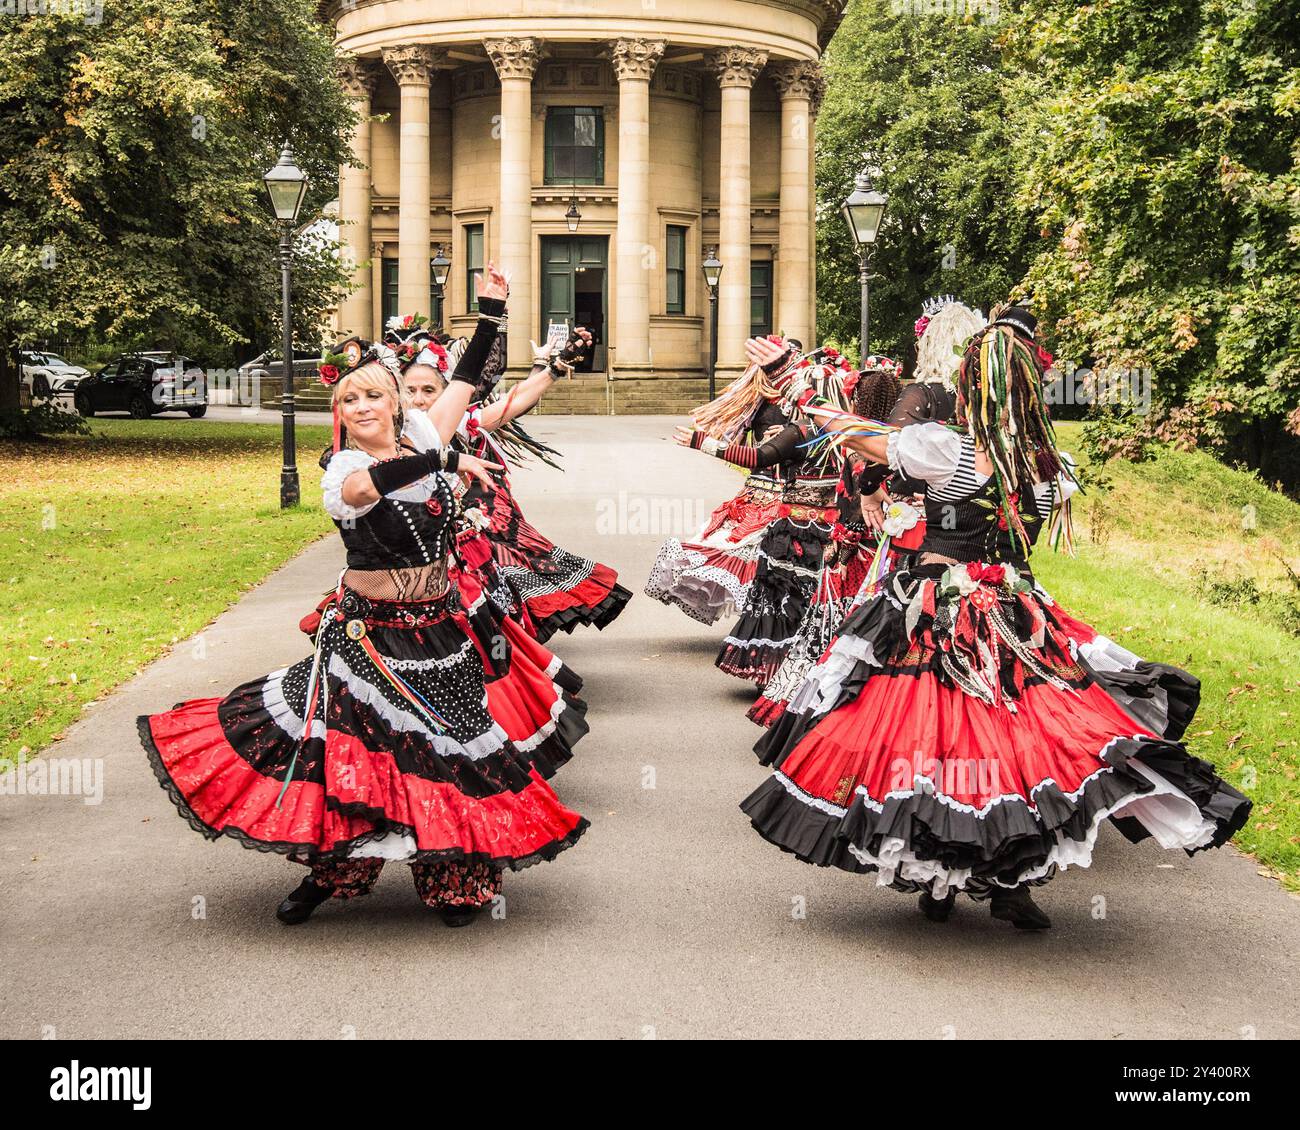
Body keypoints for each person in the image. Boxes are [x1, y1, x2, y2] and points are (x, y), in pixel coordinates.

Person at [741, 305, 1250, 930]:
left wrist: (799, 372)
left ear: (970, 388)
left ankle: (945, 878)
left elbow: (838, 427)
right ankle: (1009, 883)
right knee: (1022, 735)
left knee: (936, 735)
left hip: (936, 605)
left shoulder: (940, 447)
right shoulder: (1048, 469)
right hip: (1015, 607)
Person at [139, 264, 588, 928]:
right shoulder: (346, 467)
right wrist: (441, 462)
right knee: (350, 752)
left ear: (395, 404)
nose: (362, 409)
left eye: (374, 397)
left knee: (450, 749)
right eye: (349, 402)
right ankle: (338, 870)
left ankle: (453, 879)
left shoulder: (427, 435)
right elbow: (363, 494)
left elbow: (465, 380)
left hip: (438, 628)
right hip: (367, 636)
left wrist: (491, 311)